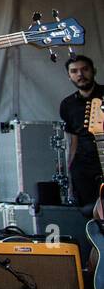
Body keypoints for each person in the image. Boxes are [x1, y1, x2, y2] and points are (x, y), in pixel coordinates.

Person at [60, 55, 103, 208]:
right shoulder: (67, 104)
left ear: (94, 71)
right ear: (69, 76)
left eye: (85, 69)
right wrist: (69, 169)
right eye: (74, 71)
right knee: (88, 210)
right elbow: (73, 140)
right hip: (84, 165)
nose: (80, 74)